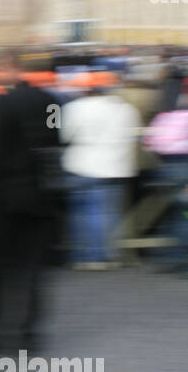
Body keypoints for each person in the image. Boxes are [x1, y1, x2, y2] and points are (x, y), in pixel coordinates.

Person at [0, 53, 60, 352]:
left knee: (0, 268)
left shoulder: (0, 104)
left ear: (12, 70)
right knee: (34, 268)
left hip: (5, 196)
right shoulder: (51, 101)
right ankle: (28, 332)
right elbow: (54, 143)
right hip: (41, 195)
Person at [60, 73, 140, 268]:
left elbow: (63, 134)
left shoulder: (73, 107)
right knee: (109, 213)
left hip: (80, 164)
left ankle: (84, 255)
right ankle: (105, 254)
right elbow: (132, 136)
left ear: (86, 89)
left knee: (80, 214)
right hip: (115, 167)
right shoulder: (127, 109)